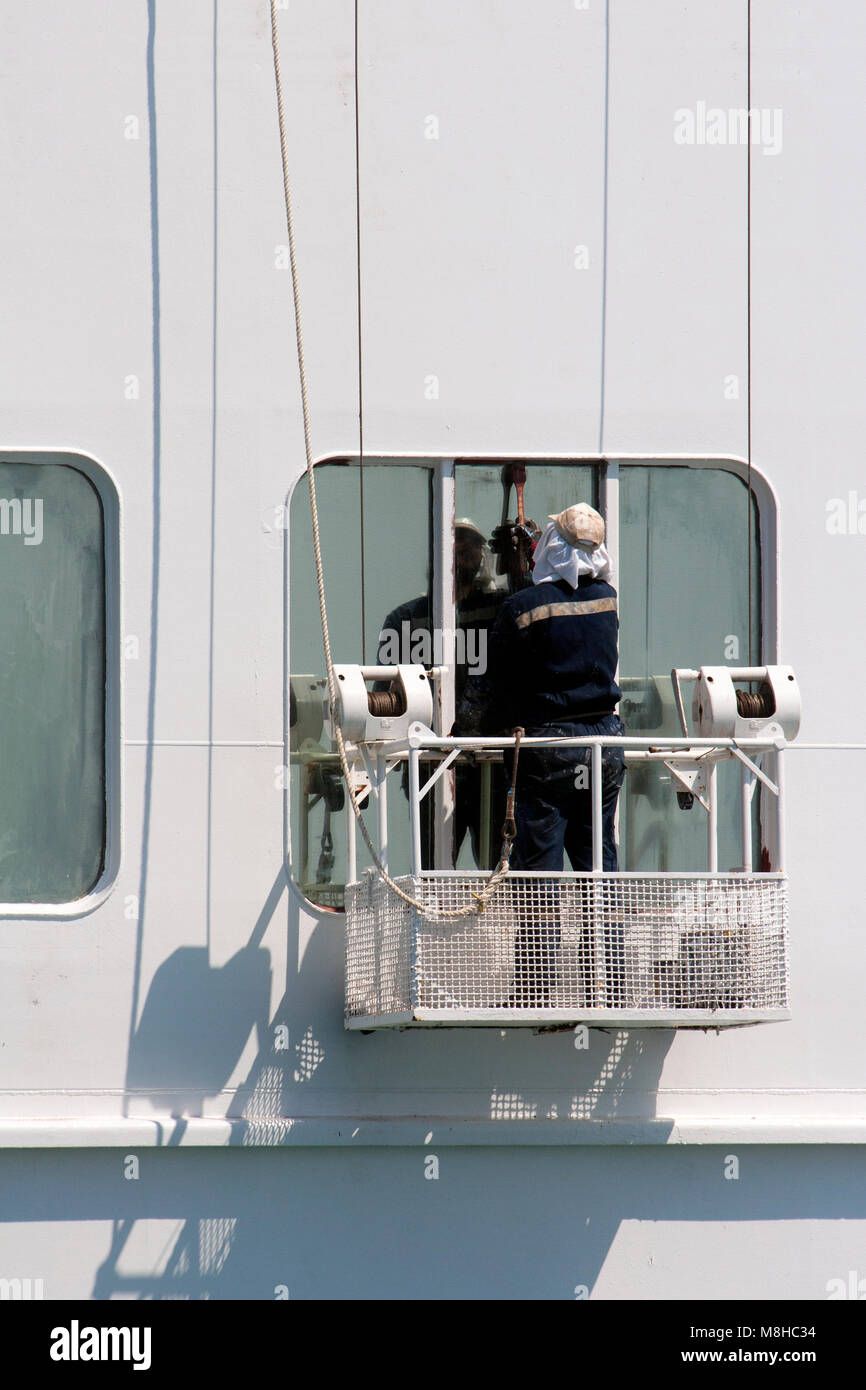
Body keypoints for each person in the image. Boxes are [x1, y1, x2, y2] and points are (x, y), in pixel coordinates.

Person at [456, 502, 626, 1003]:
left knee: (539, 875)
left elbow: (496, 688)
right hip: (603, 747)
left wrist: (470, 742)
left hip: (547, 748)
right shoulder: (608, 601)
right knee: (599, 866)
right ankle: (609, 985)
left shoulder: (521, 608)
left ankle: (536, 989)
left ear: (550, 548)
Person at [376, 520, 518, 866]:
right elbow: (384, 701)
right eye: (452, 545)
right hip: (431, 766)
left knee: (500, 869)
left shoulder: (505, 609)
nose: (461, 553)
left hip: (495, 764)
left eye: (469, 545)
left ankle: (497, 919)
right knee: (431, 870)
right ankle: (428, 916)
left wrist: (518, 566)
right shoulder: (405, 620)